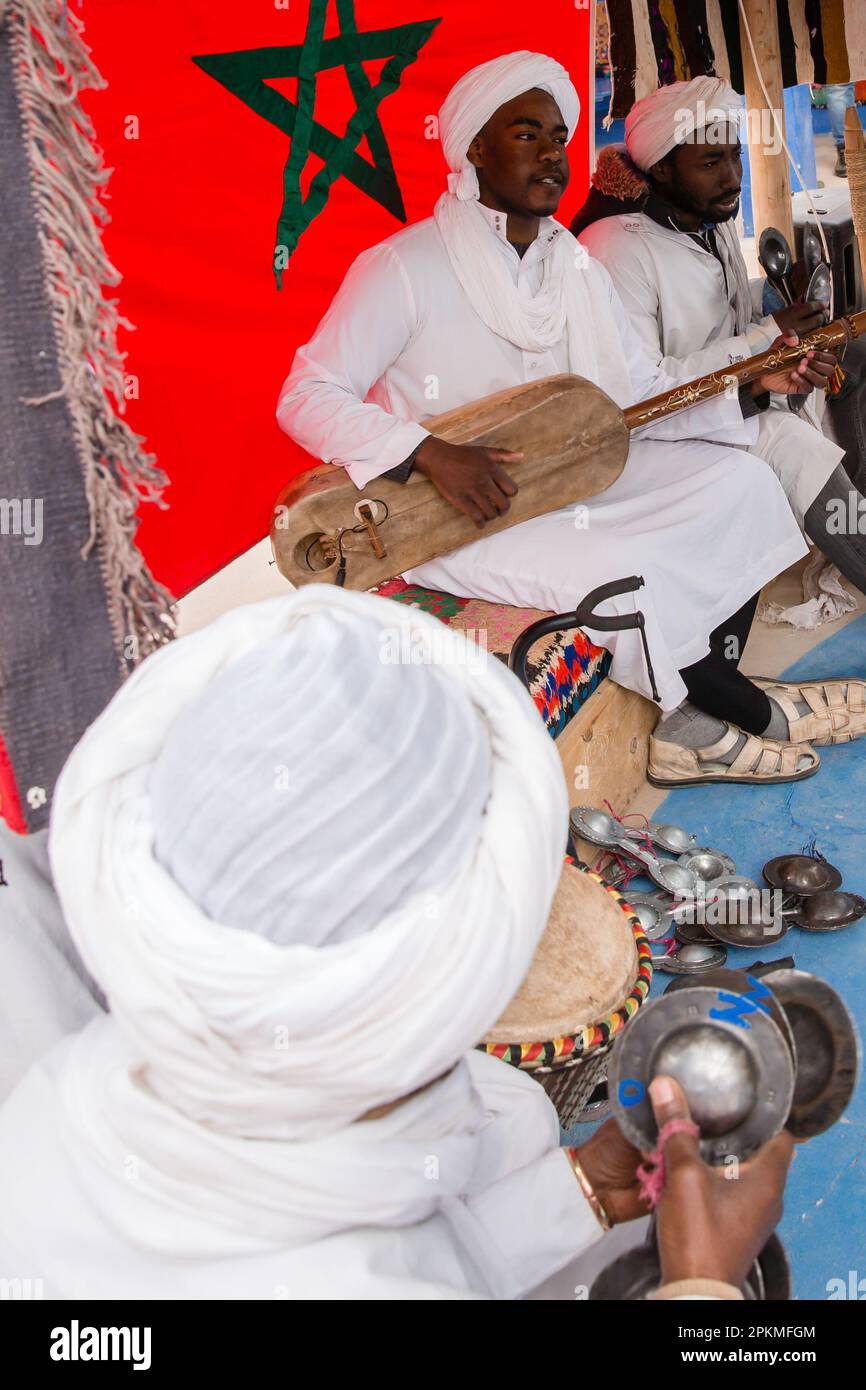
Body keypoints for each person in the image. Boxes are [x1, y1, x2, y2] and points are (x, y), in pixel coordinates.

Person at [0, 586, 794, 1298]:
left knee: (513, 1113)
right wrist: (705, 1285)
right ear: (443, 991)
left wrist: (578, 1195)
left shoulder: (44, 1114)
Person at [277, 52, 845, 787]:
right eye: (527, 135)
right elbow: (306, 393)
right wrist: (427, 452)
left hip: (575, 482)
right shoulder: (403, 267)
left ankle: (695, 713)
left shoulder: (572, 265)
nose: (552, 155)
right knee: (622, 577)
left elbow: (640, 390)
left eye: (558, 137)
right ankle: (740, 714)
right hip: (462, 515)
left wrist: (750, 384)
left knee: (741, 483)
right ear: (474, 148)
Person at [573, 77, 866, 749]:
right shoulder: (615, 251)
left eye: (735, 156)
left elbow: (724, 326)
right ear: (660, 165)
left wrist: (787, 348)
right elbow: (640, 397)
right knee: (788, 448)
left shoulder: (704, 219)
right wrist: (765, 348)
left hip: (732, 397)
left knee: (856, 359)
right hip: (656, 440)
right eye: (711, 161)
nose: (732, 175)